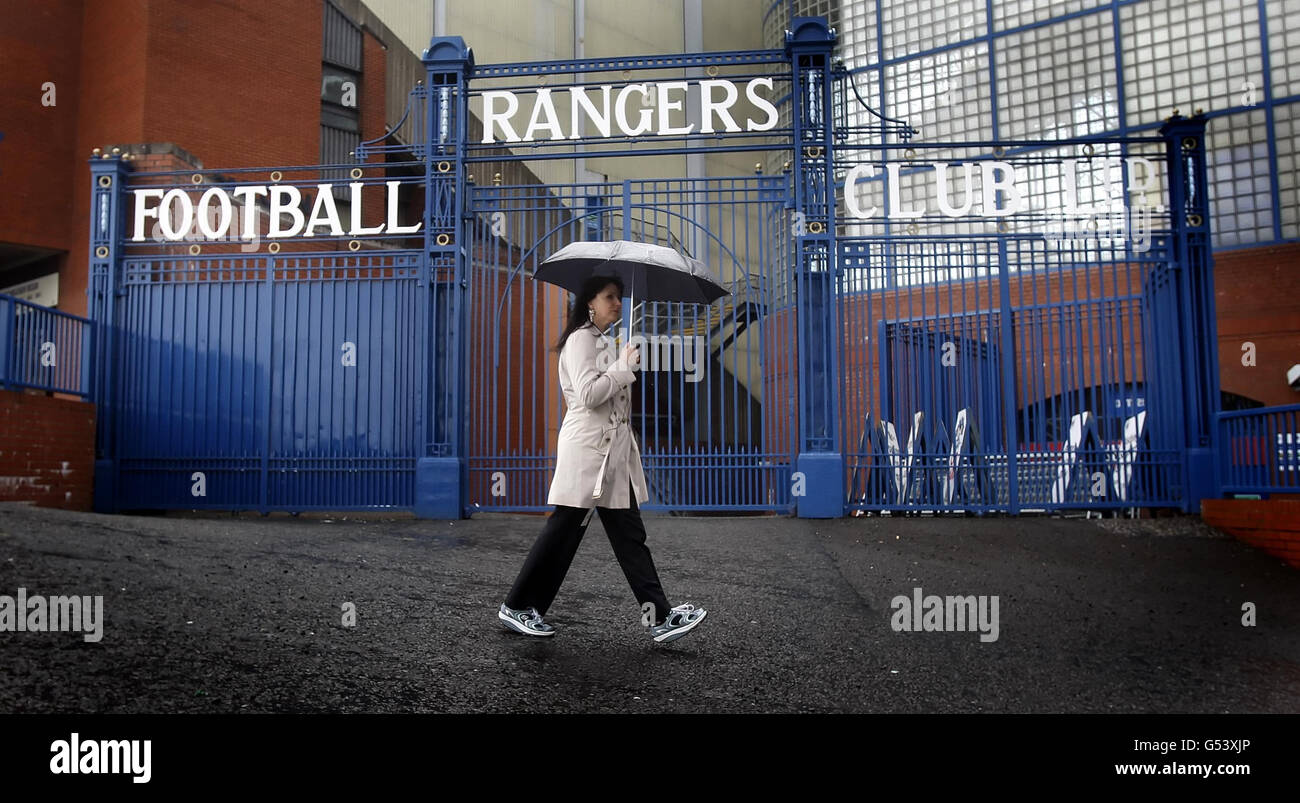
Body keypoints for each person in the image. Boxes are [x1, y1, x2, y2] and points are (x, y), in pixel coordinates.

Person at [498, 274, 707, 644]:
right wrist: (623, 367)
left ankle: (660, 617)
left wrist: (622, 363)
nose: (616, 303)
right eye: (609, 296)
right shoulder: (580, 339)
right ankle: (517, 607)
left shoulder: (602, 341)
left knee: (629, 536)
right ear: (590, 301)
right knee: (563, 529)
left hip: (611, 455)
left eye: (618, 297)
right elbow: (589, 394)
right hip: (587, 451)